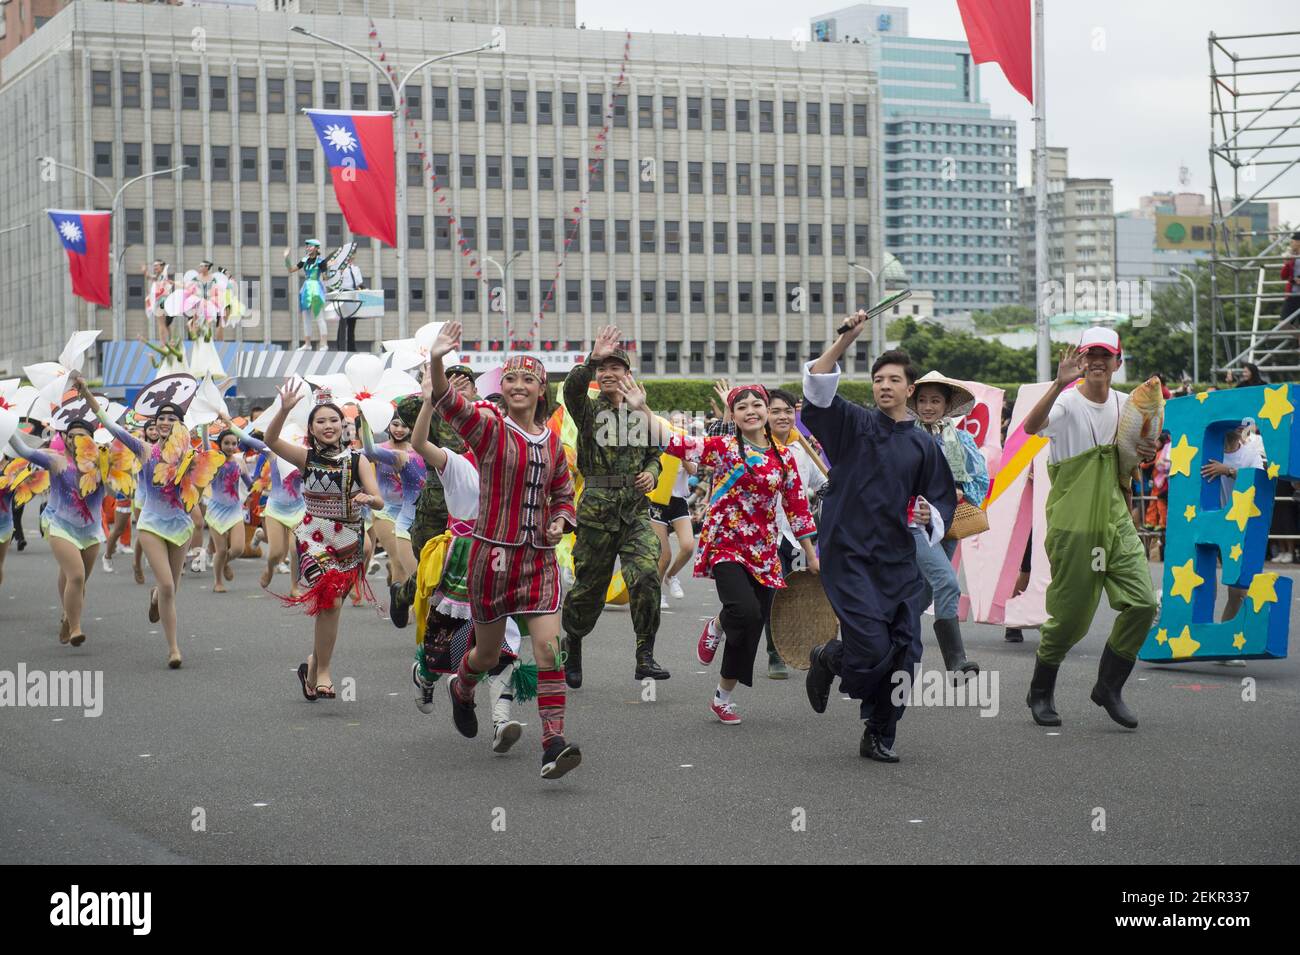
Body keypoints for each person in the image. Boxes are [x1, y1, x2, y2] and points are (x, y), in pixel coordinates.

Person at [424, 322, 583, 780]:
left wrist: (559, 520)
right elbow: (446, 400)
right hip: (491, 561)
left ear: (541, 390)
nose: (517, 385)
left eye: (527, 379)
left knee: (550, 650)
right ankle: (462, 688)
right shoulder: (489, 428)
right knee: (488, 656)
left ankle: (552, 742)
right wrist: (436, 358)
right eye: (510, 378)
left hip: (538, 562)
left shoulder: (553, 442)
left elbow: (563, 494)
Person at [802, 313, 957, 763]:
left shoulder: (923, 444)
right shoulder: (852, 423)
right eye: (877, 379)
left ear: (910, 389)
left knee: (905, 652)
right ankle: (830, 658)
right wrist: (844, 341)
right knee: (870, 648)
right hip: (848, 556)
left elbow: (941, 499)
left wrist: (930, 514)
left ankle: (879, 733)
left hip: (897, 561)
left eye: (894, 379)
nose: (884, 386)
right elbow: (816, 389)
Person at [635, 381, 818, 724]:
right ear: (732, 415)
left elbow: (797, 507)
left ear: (766, 411)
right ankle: (719, 623)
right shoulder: (723, 447)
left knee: (750, 625)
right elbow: (677, 442)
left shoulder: (785, 459)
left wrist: (811, 553)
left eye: (757, 405)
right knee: (744, 611)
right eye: (742, 406)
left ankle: (723, 695)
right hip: (725, 544)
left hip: (764, 552)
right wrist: (644, 410)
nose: (751, 410)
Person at [1020, 327, 1159, 729]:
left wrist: (1144, 452)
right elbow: (1031, 427)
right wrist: (1058, 383)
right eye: (1089, 355)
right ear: (1080, 361)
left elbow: (1135, 456)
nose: (1097, 362)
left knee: (1143, 603)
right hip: (1074, 524)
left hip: (1115, 520)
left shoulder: (1127, 404)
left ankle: (1109, 687)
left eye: (1105, 355)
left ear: (1118, 361)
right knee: (1070, 620)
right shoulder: (1066, 403)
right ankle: (1041, 690)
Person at [409, 387, 528, 754]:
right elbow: (418, 444)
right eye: (483, 424)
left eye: (497, 425)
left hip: (505, 557)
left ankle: (501, 720)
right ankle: (426, 675)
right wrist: (430, 402)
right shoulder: (457, 462)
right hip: (464, 558)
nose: (489, 431)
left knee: (504, 643)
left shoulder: (515, 467)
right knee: (449, 646)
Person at [560, 325, 669, 688]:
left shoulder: (641, 411)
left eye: (616, 368)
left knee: (647, 575)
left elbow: (659, 451)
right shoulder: (588, 410)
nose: (608, 374)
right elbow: (573, 389)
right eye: (603, 369)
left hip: (635, 512)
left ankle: (644, 655)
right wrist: (590, 359)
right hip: (596, 514)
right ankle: (572, 642)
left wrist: (652, 474)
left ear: (628, 375)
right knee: (589, 591)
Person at [88, 380, 225, 668]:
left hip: (181, 526)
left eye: (171, 418)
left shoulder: (189, 455)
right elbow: (112, 426)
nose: (164, 422)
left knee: (169, 589)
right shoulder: (144, 450)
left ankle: (156, 597)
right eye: (160, 418)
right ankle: (174, 649)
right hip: (150, 522)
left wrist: (207, 426)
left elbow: (207, 467)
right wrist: (86, 393)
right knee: (167, 584)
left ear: (180, 424)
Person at [264, 382, 384, 701]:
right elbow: (270, 439)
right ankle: (325, 673)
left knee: (333, 608)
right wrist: (285, 408)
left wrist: (368, 498)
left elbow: (380, 500)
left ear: (343, 425)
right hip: (313, 536)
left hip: (348, 539)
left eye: (334, 420)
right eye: (321, 421)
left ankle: (313, 665)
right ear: (312, 428)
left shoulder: (358, 460)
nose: (328, 426)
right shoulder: (305, 458)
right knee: (329, 600)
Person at [5, 409, 115, 647]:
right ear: (64, 437)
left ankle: (68, 617)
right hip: (60, 525)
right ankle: (76, 627)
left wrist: (108, 475)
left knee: (78, 580)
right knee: (75, 575)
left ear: (91, 438)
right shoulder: (55, 459)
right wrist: (6, 424)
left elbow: (117, 493)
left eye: (82, 435)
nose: (76, 439)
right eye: (71, 435)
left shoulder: (101, 462)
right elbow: (24, 450)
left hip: (91, 530)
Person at [910, 371, 990, 679]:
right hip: (914, 522)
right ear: (914, 403)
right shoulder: (905, 435)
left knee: (924, 593)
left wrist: (961, 492)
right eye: (923, 400)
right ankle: (956, 661)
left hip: (948, 520)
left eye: (935, 400)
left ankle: (885, 636)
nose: (929, 406)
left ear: (946, 405)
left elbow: (980, 478)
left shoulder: (962, 438)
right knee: (948, 583)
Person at [388, 365, 479, 625]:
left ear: (476, 390)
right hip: (436, 503)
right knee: (432, 565)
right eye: (453, 382)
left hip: (473, 506)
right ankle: (404, 596)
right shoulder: (434, 413)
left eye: (465, 383)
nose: (459, 387)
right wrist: (437, 393)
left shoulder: (485, 416)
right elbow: (404, 410)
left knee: (464, 567)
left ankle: (460, 631)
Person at [760, 388, 828, 679]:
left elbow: (819, 483)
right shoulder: (756, 446)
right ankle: (774, 653)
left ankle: (793, 648)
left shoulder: (802, 448)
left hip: (796, 534)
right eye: (775, 411)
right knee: (772, 594)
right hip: (763, 534)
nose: (783, 416)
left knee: (791, 592)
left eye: (788, 411)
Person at [361, 413, 425, 586]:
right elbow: (358, 455)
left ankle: (396, 575)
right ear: (388, 426)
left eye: (404, 426)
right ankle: (400, 610)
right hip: (385, 511)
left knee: (409, 561)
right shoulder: (380, 450)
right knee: (400, 563)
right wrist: (364, 420)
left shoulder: (420, 451)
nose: (399, 429)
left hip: (413, 514)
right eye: (395, 424)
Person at [650, 411, 697, 613]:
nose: (680, 425)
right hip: (658, 502)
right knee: (664, 554)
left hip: (678, 500)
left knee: (688, 546)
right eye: (676, 422)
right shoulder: (659, 445)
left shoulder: (690, 445)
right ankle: (657, 592)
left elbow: (693, 470)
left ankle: (670, 577)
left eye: (683, 422)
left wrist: (681, 451)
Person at [207, 420, 252, 592]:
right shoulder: (213, 459)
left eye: (234, 443)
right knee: (221, 550)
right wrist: (204, 425)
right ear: (220, 444)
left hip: (234, 509)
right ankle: (218, 582)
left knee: (238, 549)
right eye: (226, 443)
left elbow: (249, 484)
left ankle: (224, 563)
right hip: (215, 509)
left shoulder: (240, 462)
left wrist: (261, 486)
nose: (230, 446)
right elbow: (205, 443)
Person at [285, 240, 329, 351]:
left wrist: (328, 270)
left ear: (316, 248)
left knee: (320, 318)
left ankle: (324, 344)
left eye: (310, 246)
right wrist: (286, 258)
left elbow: (325, 278)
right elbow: (291, 269)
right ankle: (307, 344)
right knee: (306, 318)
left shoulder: (321, 261)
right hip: (306, 289)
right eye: (307, 246)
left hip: (316, 289)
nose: (308, 248)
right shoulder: (304, 260)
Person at [333, 251, 365, 353]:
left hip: (353, 294)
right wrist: (340, 273)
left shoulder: (356, 269)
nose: (352, 258)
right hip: (343, 294)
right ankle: (341, 347)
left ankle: (352, 347)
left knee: (352, 323)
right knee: (343, 322)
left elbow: (359, 283)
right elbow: (336, 282)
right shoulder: (341, 268)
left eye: (353, 256)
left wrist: (363, 289)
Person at [145, 260, 174, 342]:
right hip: (163, 300)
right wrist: (145, 271)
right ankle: (171, 340)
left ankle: (163, 343)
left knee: (161, 323)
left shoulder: (163, 274)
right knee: (166, 323)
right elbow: (149, 277)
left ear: (162, 266)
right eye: (154, 266)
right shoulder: (159, 276)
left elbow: (152, 277)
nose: (155, 268)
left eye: (156, 266)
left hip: (162, 300)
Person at [1280, 231, 1300, 325]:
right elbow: (1283, 276)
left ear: (1298, 242)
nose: (1291, 244)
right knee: (1283, 324)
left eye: (1292, 242)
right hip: (1292, 295)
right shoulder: (1292, 257)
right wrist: (1287, 264)